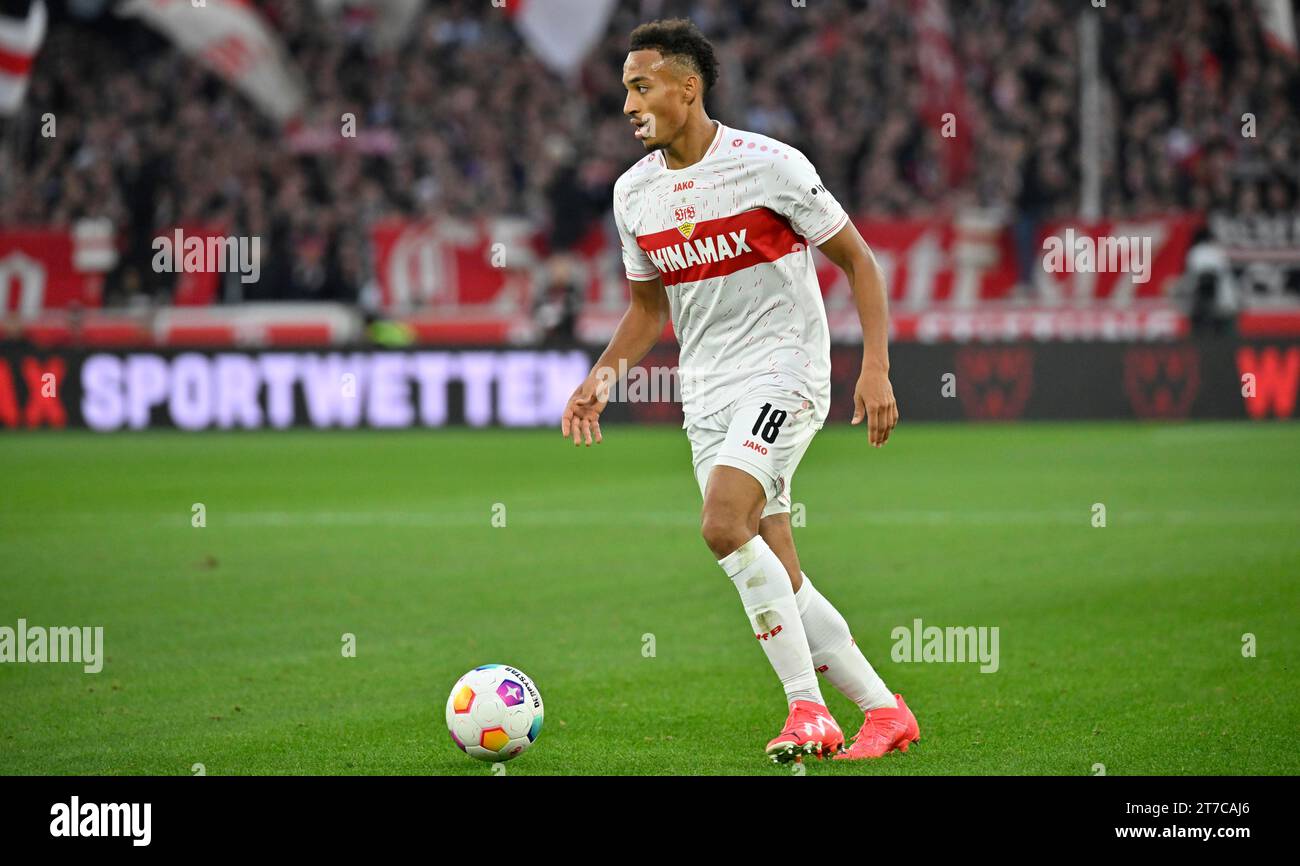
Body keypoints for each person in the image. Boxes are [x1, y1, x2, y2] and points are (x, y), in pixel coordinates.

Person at [561, 18, 918, 762]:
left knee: (724, 523)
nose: (627, 105)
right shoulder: (634, 196)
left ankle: (807, 711)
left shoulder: (770, 165)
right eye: (624, 90)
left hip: (785, 371)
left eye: (640, 87)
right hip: (709, 392)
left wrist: (876, 365)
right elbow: (648, 309)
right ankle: (884, 712)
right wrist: (599, 380)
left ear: (687, 90)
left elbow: (859, 262)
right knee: (775, 563)